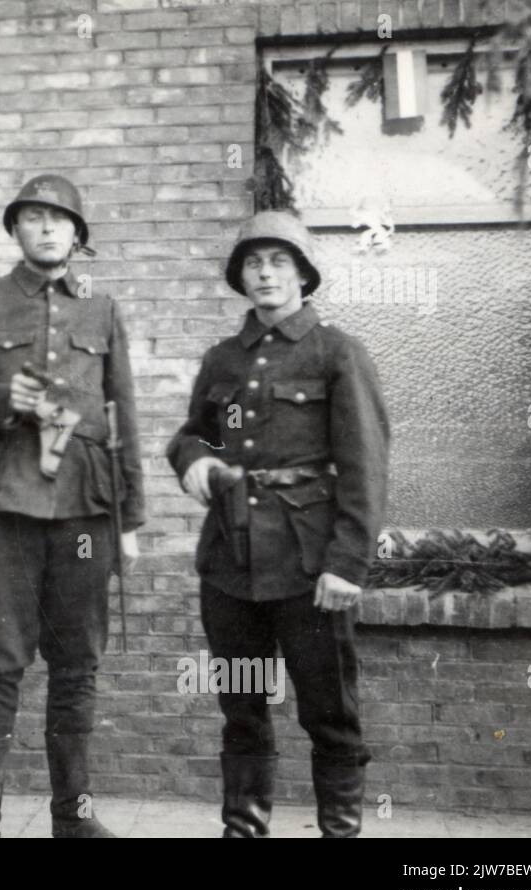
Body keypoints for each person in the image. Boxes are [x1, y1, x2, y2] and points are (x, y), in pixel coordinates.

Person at [166, 210, 390, 837]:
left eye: (278, 262)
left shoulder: (335, 352)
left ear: (302, 274)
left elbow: (364, 465)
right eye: (254, 264)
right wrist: (197, 461)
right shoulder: (224, 362)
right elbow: (196, 437)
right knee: (242, 708)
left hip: (310, 567)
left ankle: (340, 832)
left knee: (329, 712)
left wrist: (348, 563)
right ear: (241, 276)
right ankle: (244, 829)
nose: (265, 274)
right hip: (231, 565)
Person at [0, 175, 144, 838]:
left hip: (84, 509)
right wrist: (8, 401)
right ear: (15, 230)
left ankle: (73, 817)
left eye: (60, 219)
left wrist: (130, 519)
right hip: (1, 508)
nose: (48, 228)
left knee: (78, 661)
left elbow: (124, 417)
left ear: (77, 235)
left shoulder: (102, 309)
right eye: (33, 217)